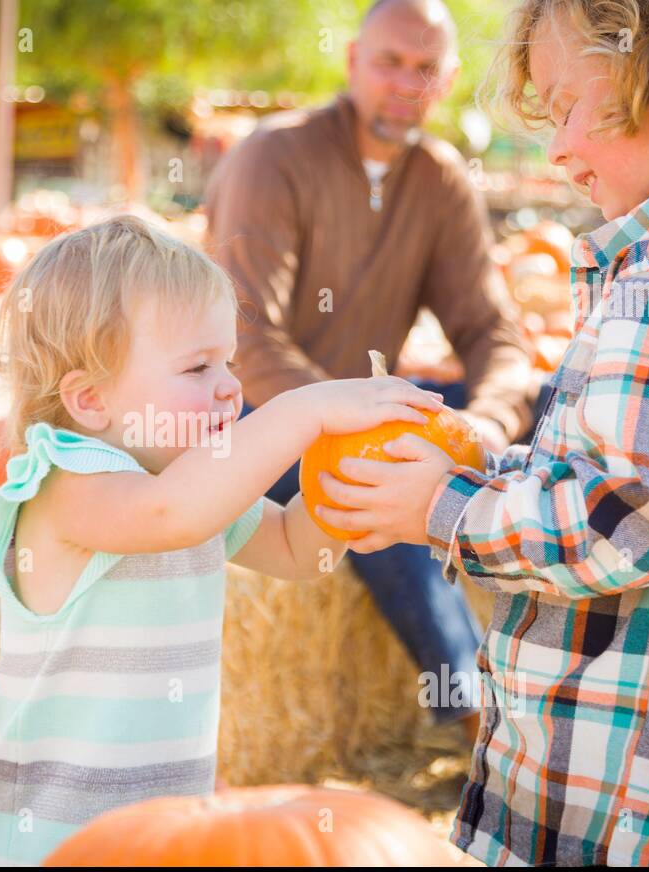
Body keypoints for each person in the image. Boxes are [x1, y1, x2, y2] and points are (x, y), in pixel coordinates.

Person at [311, 0, 649, 865]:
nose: (554, 149)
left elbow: (623, 520)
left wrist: (442, 508)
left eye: (566, 106)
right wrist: (486, 457)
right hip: (638, 754)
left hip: (632, 785)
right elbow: (614, 474)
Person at [0, 215, 445, 865]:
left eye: (229, 361)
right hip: (50, 843)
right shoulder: (66, 484)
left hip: (161, 835)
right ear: (90, 399)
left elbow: (298, 554)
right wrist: (306, 408)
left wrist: (346, 489)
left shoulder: (188, 484)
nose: (230, 387)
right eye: (197, 367)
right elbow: (168, 516)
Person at [206, 0, 538, 742]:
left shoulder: (440, 180)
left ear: (448, 79)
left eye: (426, 69)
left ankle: (583, 665)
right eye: (390, 62)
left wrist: (481, 425)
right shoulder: (275, 157)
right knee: (374, 479)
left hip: (378, 407)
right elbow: (245, 339)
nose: (406, 83)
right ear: (353, 60)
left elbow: (493, 333)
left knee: (550, 406)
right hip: (265, 421)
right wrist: (340, 417)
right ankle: (482, 718)